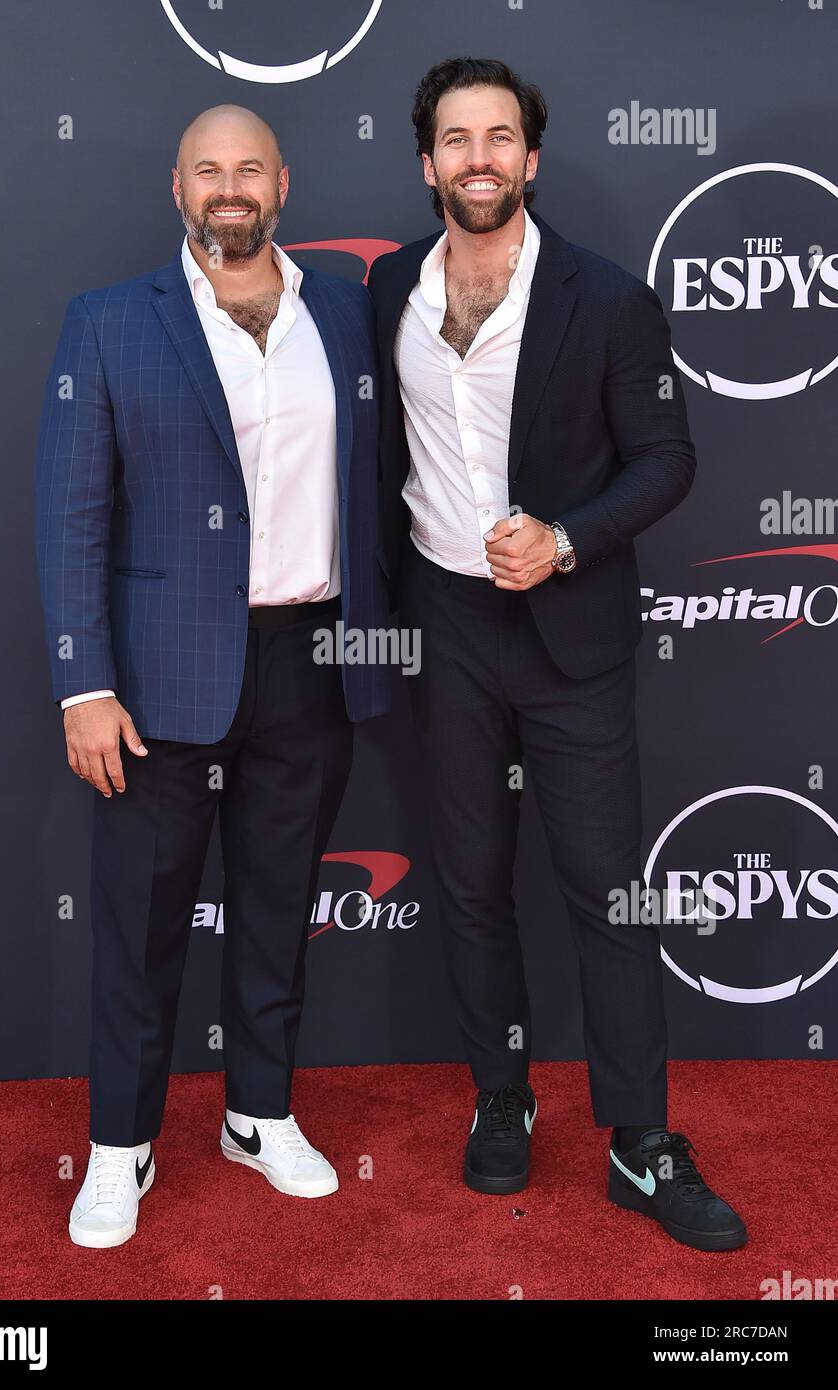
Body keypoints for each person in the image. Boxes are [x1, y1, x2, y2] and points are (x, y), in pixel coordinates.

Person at [367, 57, 747, 1251]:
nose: (477, 157)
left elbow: (669, 459)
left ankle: (640, 1140)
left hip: (568, 632)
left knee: (609, 896)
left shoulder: (610, 298)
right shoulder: (387, 289)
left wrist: (571, 539)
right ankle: (504, 1095)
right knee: (472, 885)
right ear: (426, 162)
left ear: (530, 158)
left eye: (499, 137)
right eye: (454, 138)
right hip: (445, 627)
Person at [35, 105, 390, 1248]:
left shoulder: (346, 308)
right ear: (175, 186)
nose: (228, 188)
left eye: (248, 168)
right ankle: (119, 1147)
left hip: (311, 659)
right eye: (207, 170)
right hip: (157, 677)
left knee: (280, 910)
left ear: (282, 181)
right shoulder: (106, 322)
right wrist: (83, 682)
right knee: (140, 926)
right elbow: (71, 513)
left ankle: (260, 1112)